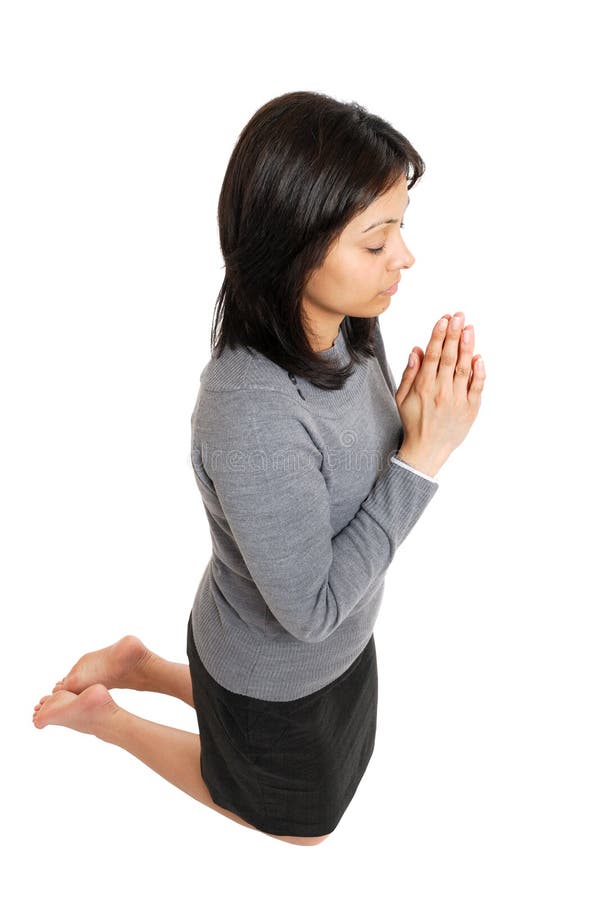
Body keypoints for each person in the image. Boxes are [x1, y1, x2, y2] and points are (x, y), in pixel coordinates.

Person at [32, 90, 486, 846]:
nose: (404, 258)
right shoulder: (249, 411)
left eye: (400, 229)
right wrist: (423, 458)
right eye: (376, 242)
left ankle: (143, 665)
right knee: (302, 831)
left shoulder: (346, 327)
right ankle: (110, 721)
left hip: (341, 645)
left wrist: (411, 430)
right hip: (270, 674)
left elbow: (346, 493)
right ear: (293, 248)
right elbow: (309, 612)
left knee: (321, 770)